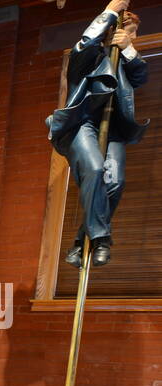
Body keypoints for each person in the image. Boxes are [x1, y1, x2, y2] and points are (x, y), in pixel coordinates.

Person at [47, 0, 149, 267]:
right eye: (130, 31)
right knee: (93, 170)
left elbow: (140, 75)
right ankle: (102, 238)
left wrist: (127, 48)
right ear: (114, 28)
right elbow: (85, 43)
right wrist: (111, 10)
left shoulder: (125, 62)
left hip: (112, 129)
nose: (132, 37)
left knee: (115, 183)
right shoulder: (88, 57)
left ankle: (83, 240)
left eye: (134, 33)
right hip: (83, 124)